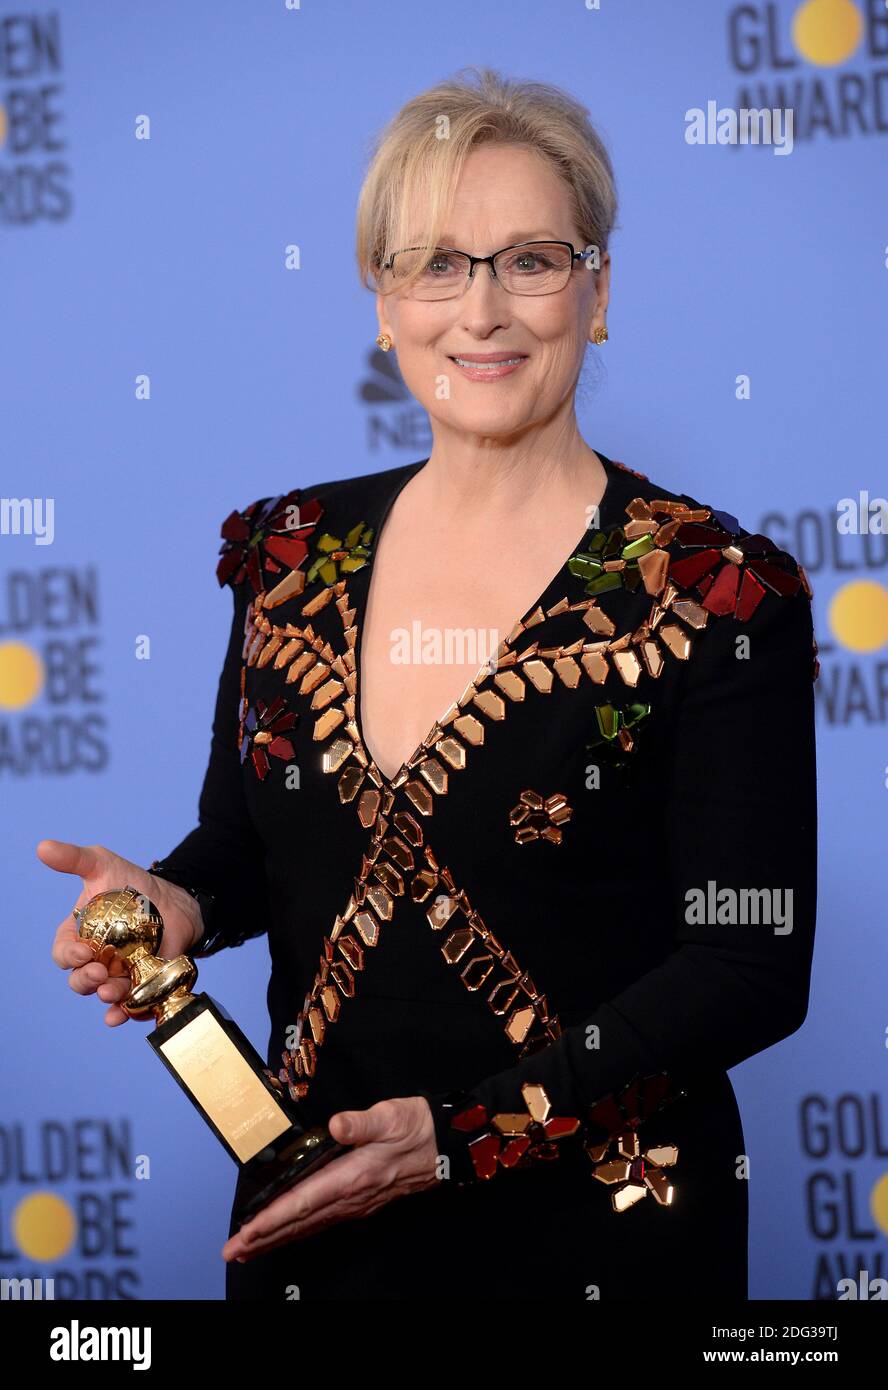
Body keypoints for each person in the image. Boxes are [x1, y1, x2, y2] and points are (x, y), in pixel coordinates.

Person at [43, 67, 817, 1300]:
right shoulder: (289, 555)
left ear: (599, 291)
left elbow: (748, 964)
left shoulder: (713, 587)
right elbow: (247, 843)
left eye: (533, 260)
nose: (485, 310)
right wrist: (176, 904)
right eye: (437, 263)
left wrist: (458, 1143)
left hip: (600, 1242)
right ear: (384, 298)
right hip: (313, 1225)